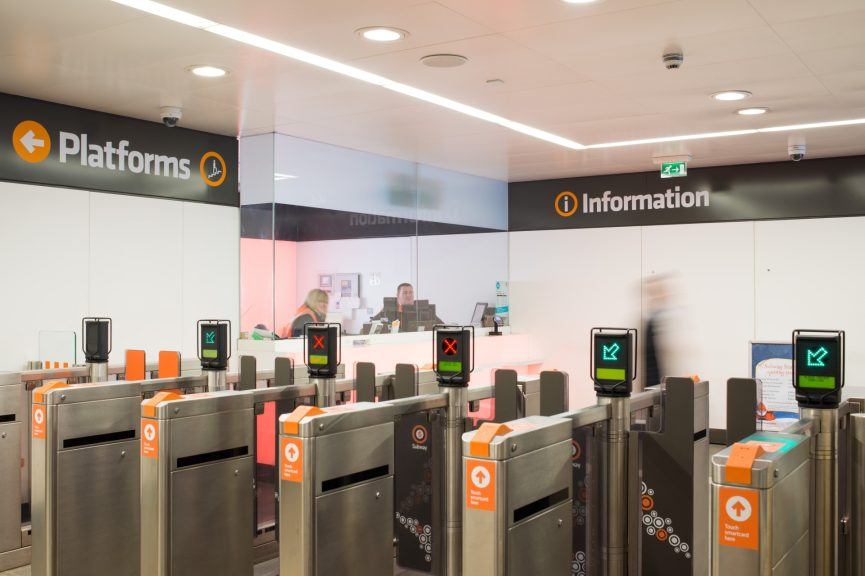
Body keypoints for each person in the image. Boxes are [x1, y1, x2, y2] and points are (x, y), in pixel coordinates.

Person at [371, 282, 442, 332]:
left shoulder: (422, 309)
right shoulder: (388, 310)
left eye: (411, 292)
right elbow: (370, 326)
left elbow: (442, 326)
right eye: (405, 293)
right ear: (397, 295)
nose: (408, 296)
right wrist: (382, 311)